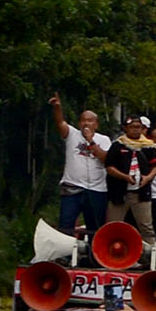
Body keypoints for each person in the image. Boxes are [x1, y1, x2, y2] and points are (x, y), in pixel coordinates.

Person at [49, 91, 110, 234]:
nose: (86, 123)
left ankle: (94, 256)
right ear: (79, 123)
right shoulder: (72, 134)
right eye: (83, 120)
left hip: (96, 189)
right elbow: (60, 122)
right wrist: (57, 108)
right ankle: (64, 255)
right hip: (73, 188)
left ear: (96, 124)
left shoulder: (104, 139)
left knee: (95, 227)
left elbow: (105, 159)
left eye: (90, 121)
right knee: (66, 225)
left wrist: (91, 141)